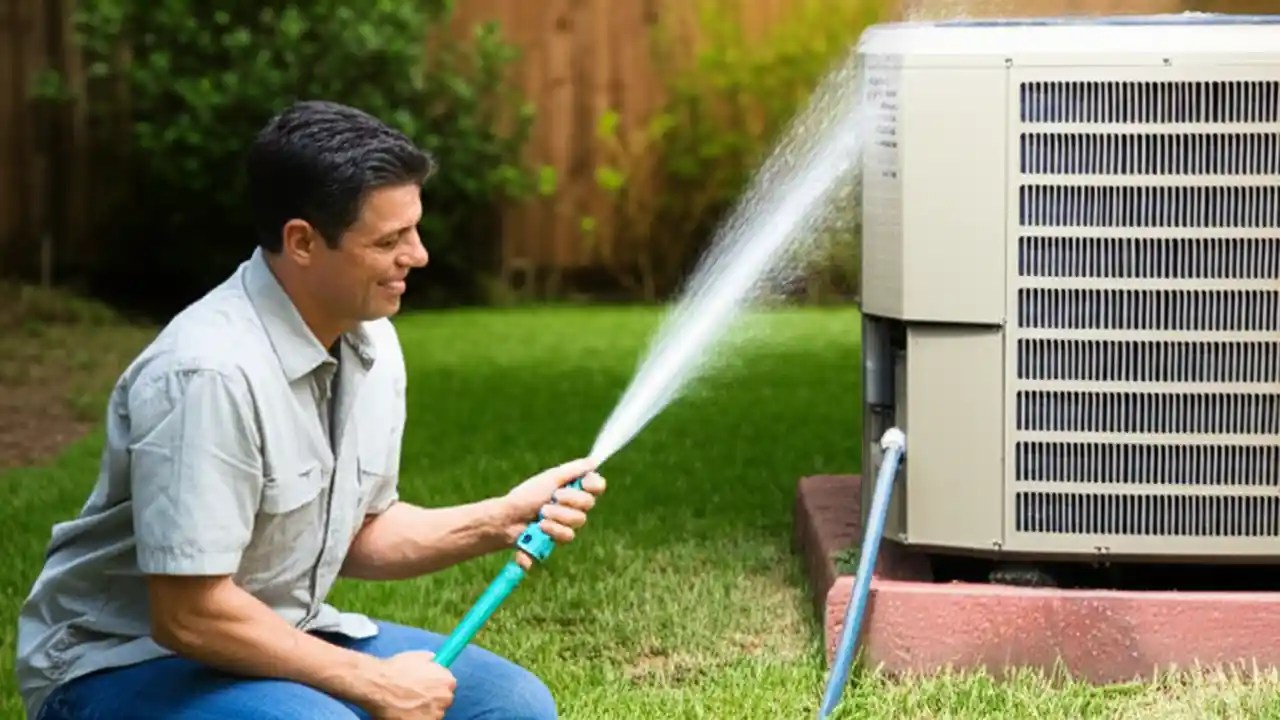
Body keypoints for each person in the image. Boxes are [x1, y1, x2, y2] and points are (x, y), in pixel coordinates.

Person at [14, 100, 606, 720]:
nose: (420, 255)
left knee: (514, 707)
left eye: (415, 229)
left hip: (278, 633)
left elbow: (357, 532)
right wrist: (371, 683)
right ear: (301, 241)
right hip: (125, 664)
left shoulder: (369, 338)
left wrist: (499, 521)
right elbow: (188, 615)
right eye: (390, 240)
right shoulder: (209, 373)